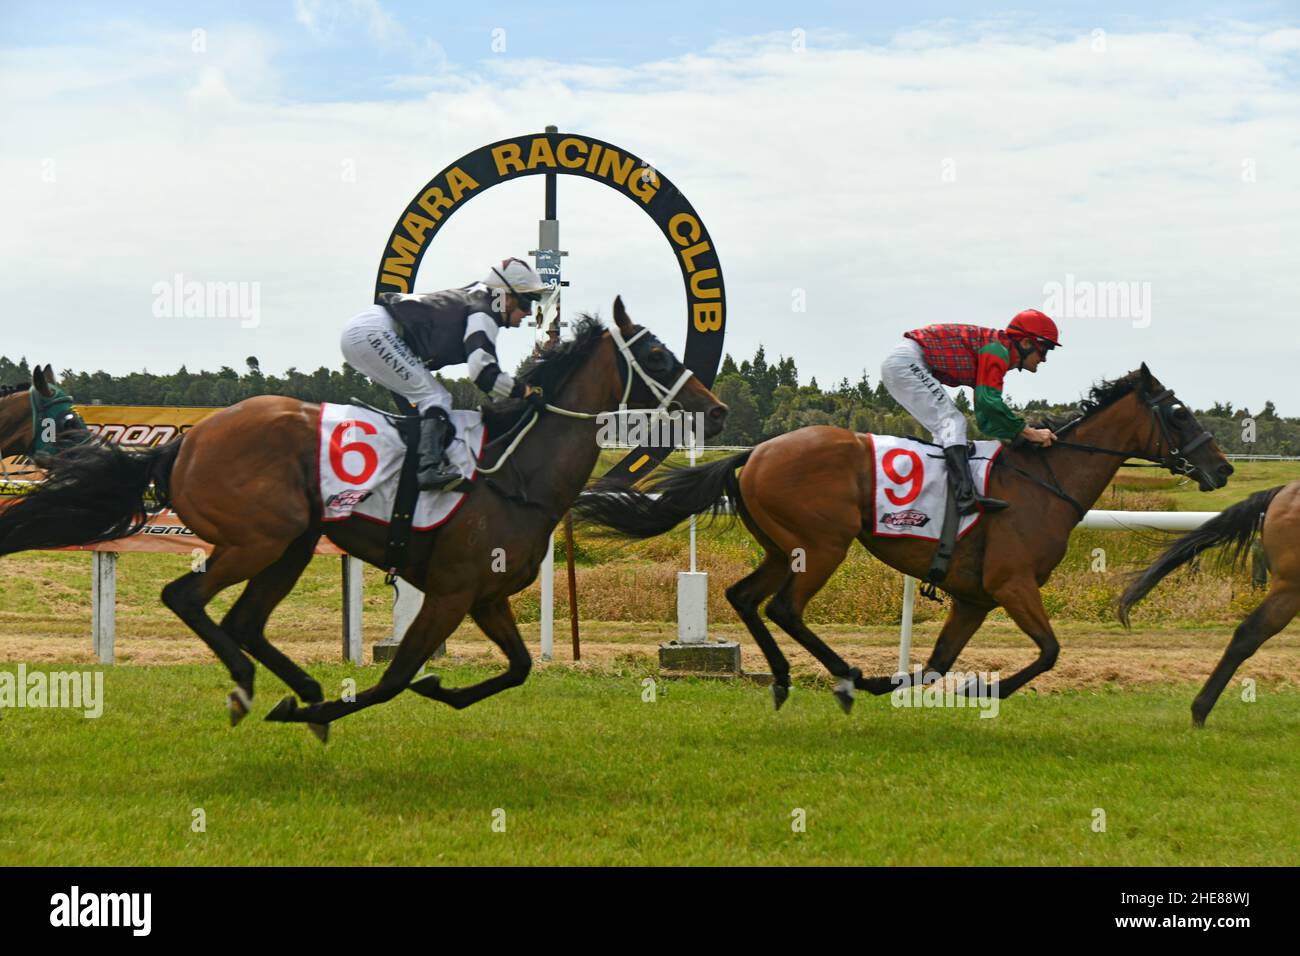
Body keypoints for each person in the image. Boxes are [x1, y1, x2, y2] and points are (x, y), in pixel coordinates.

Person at [340, 258, 549, 491]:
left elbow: (491, 383)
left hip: (369, 331)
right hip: (374, 332)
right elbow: (483, 374)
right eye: (525, 301)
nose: (529, 312)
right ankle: (427, 470)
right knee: (436, 398)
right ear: (505, 296)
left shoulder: (483, 300)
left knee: (429, 402)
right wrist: (525, 391)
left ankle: (413, 464)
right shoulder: (484, 311)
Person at [879, 309, 1060, 515]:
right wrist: (1028, 432)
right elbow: (988, 403)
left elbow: (985, 413)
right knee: (952, 422)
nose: (1044, 359)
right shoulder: (997, 350)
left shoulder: (997, 349)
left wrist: (1017, 433)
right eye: (1044, 350)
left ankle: (940, 493)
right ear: (1026, 343)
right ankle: (964, 497)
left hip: (905, 361)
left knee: (945, 431)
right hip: (908, 361)